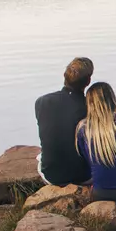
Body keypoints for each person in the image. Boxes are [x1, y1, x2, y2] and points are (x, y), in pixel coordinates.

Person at [35, 57, 94, 186]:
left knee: (40, 157)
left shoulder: (42, 101)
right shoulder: (90, 107)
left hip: (51, 176)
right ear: (88, 81)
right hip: (84, 176)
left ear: (64, 76)